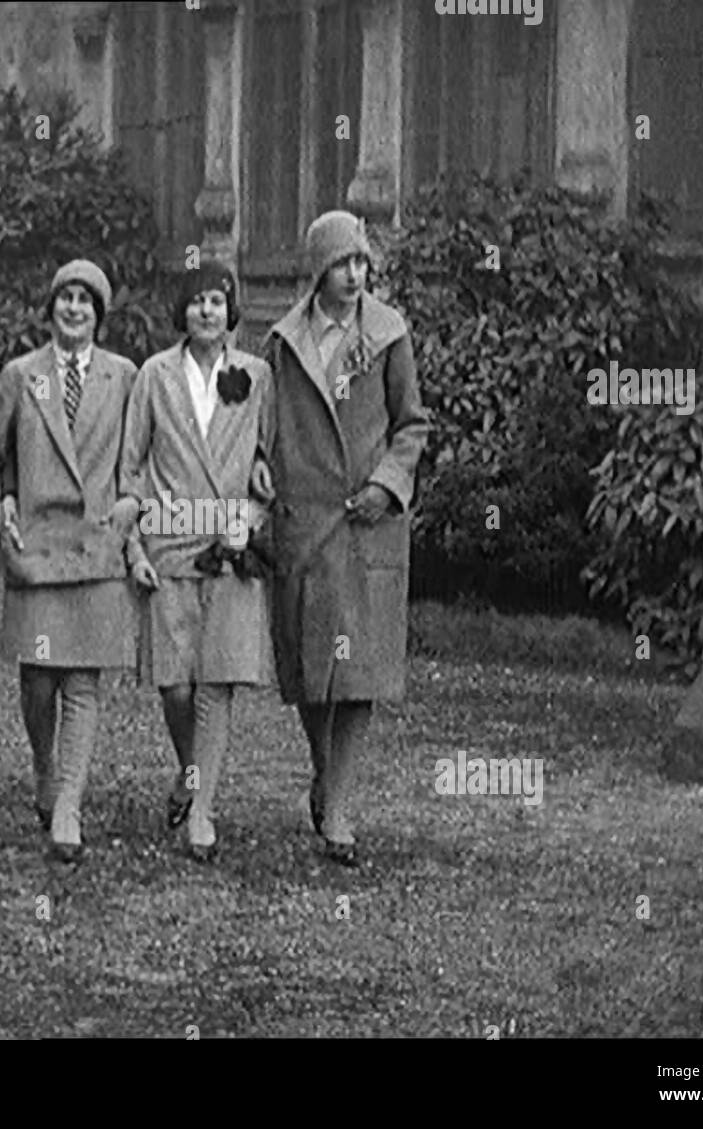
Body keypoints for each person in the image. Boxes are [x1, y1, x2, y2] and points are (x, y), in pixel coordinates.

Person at [258, 210, 431, 867]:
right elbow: (267, 420)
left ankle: (340, 808)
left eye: (362, 263)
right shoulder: (283, 339)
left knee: (358, 672)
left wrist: (388, 483)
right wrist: (260, 476)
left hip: (365, 523)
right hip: (305, 520)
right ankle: (323, 770)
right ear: (318, 270)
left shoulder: (389, 333)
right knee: (309, 672)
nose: (355, 275)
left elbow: (412, 423)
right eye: (342, 263)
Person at [0, 259, 140, 865]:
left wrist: (130, 503)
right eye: (65, 298)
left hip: (96, 547)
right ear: (52, 309)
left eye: (86, 301)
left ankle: (68, 802)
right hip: (37, 548)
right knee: (40, 679)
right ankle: (44, 766)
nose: (74, 309)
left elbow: (138, 455)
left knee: (85, 681)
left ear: (99, 314)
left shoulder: (123, 376)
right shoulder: (21, 375)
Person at [121, 263, 273, 862]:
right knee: (176, 685)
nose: (207, 311)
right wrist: (133, 547)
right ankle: (191, 769)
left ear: (231, 311)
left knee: (217, 683)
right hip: (169, 545)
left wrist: (250, 520)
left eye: (217, 301)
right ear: (180, 312)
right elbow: (130, 468)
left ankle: (202, 808)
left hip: (230, 552)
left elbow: (268, 464)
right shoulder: (155, 377)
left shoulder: (256, 376)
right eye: (196, 302)